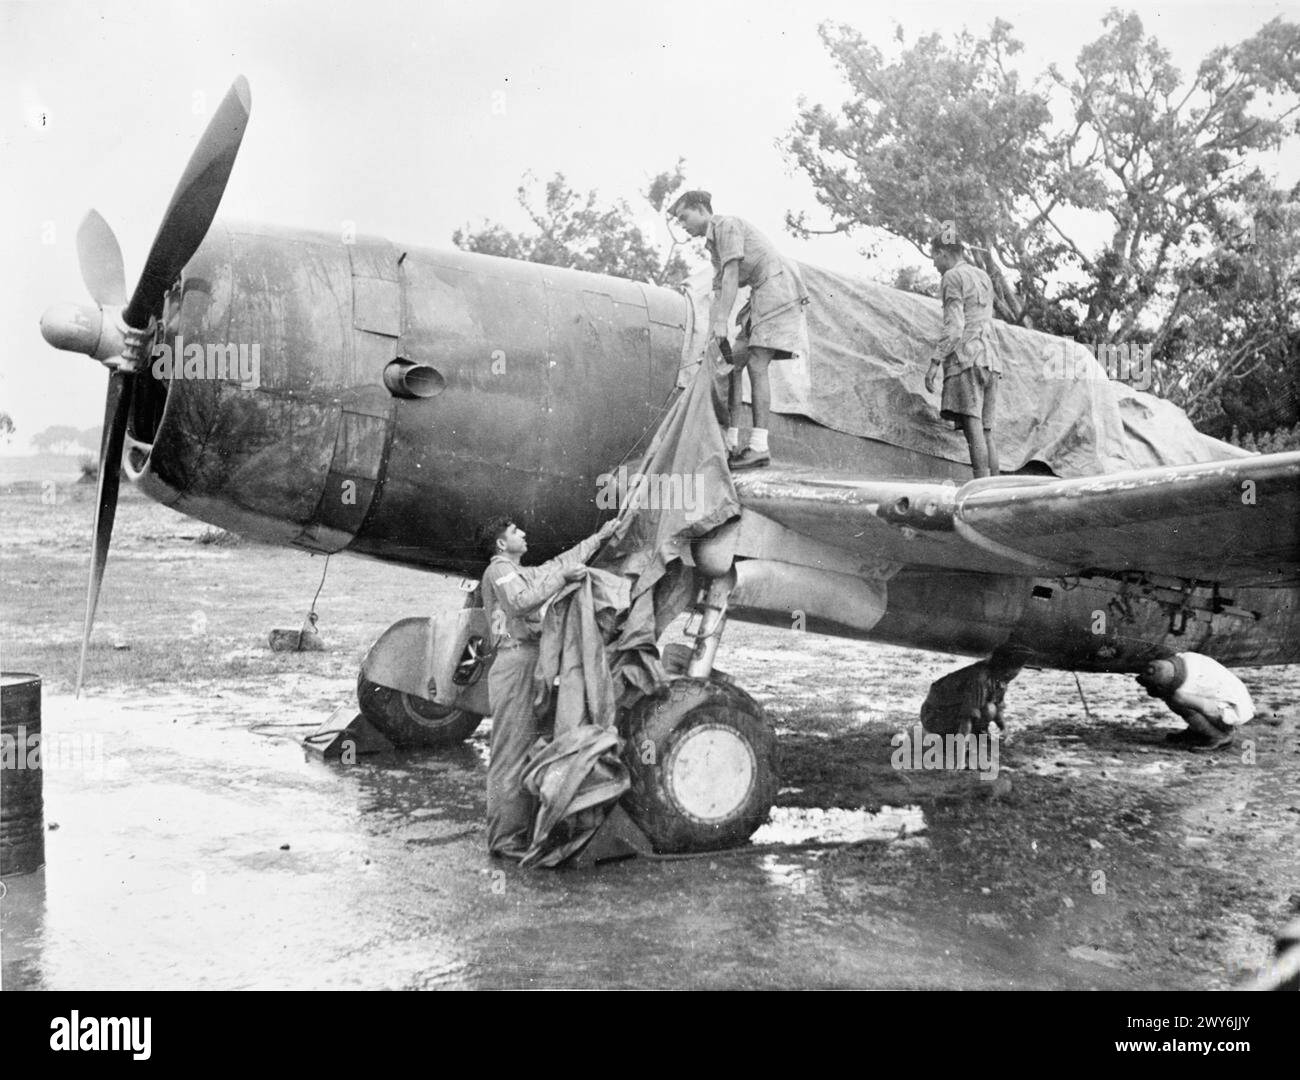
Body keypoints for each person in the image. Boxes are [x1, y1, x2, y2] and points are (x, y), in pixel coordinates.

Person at [477, 515, 619, 858]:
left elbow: (561, 562)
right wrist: (561, 578)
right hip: (514, 663)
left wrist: (599, 537)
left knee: (525, 748)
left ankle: (518, 833)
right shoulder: (499, 569)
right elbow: (520, 602)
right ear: (501, 544)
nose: (524, 534)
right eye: (515, 531)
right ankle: (504, 841)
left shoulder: (521, 571)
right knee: (509, 753)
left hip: (528, 662)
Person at [669, 190, 807, 471]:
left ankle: (759, 447)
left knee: (757, 363)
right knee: (733, 363)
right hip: (761, 292)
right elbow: (719, 288)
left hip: (776, 287)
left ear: (701, 210)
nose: (683, 226)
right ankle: (730, 441)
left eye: (684, 218)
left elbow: (732, 275)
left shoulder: (726, 226)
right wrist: (712, 332)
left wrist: (722, 323)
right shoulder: (712, 244)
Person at [923, 230, 1001, 478]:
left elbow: (955, 327)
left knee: (973, 426)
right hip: (992, 359)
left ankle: (981, 487)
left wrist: (935, 362)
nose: (934, 264)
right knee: (986, 431)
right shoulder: (983, 276)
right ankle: (996, 490)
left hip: (968, 358)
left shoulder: (952, 277)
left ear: (942, 253)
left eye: (934, 258)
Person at [1136, 652, 1255, 751]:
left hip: (1236, 709)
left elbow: (1209, 709)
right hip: (1233, 695)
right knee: (1179, 699)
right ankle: (1197, 730)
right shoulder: (1184, 657)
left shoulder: (1183, 689)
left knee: (1177, 700)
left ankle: (1220, 735)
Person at [920, 647, 1029, 744]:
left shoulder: (998, 677)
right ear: (1004, 669)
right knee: (988, 709)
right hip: (934, 717)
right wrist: (961, 751)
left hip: (949, 711)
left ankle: (971, 737)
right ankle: (956, 741)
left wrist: (1004, 730)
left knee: (991, 708)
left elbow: (999, 707)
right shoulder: (980, 679)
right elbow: (967, 716)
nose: (1014, 676)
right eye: (1014, 672)